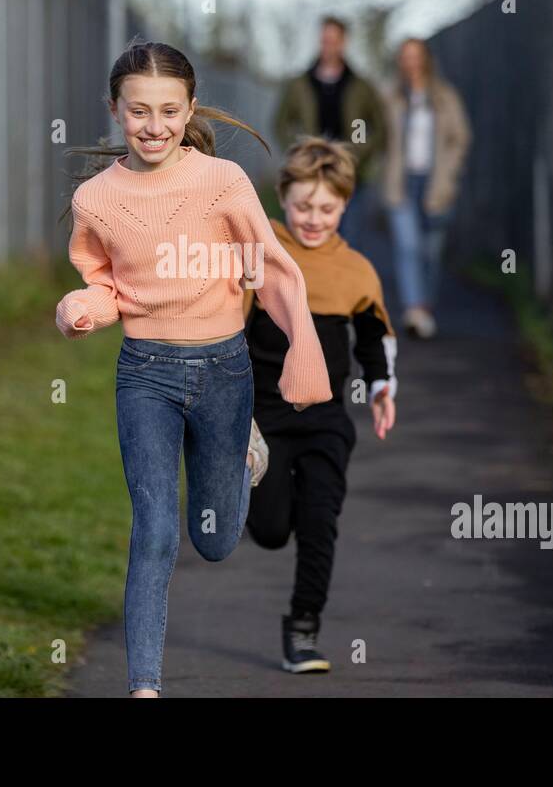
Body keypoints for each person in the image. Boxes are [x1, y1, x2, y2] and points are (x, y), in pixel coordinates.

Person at [54, 41, 333, 698]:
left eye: (170, 111)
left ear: (190, 109)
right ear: (115, 109)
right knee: (152, 529)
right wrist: (81, 309)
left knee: (213, 542)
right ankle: (145, 687)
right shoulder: (96, 200)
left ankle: (242, 457)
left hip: (223, 370)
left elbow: (273, 268)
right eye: (139, 111)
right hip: (144, 373)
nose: (155, 126)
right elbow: (105, 287)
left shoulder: (222, 184)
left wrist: (300, 349)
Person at [241, 138, 398, 674]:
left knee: (319, 521)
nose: (313, 219)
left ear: (344, 206)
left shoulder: (355, 269)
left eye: (326, 209)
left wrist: (380, 386)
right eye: (303, 206)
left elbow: (373, 335)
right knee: (269, 529)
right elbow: (226, 329)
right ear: (282, 196)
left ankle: (304, 628)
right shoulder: (259, 256)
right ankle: (243, 501)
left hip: (326, 418)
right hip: (263, 418)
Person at [378, 37, 472, 339]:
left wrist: (451, 172)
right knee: (407, 247)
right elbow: (378, 135)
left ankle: (426, 307)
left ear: (426, 59)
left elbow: (461, 136)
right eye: (405, 56)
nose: (411, 62)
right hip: (401, 183)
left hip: (435, 185)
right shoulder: (391, 97)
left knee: (431, 251)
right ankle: (414, 310)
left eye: (416, 56)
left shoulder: (444, 96)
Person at [273, 16, 387, 252]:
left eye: (334, 40)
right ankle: (309, 288)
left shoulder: (359, 85)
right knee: (308, 241)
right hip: (310, 174)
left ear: (343, 42)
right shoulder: (301, 83)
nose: (329, 46)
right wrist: (299, 151)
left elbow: (376, 125)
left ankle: (346, 289)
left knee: (348, 243)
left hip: (351, 175)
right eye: (325, 40)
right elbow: (281, 123)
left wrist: (359, 149)